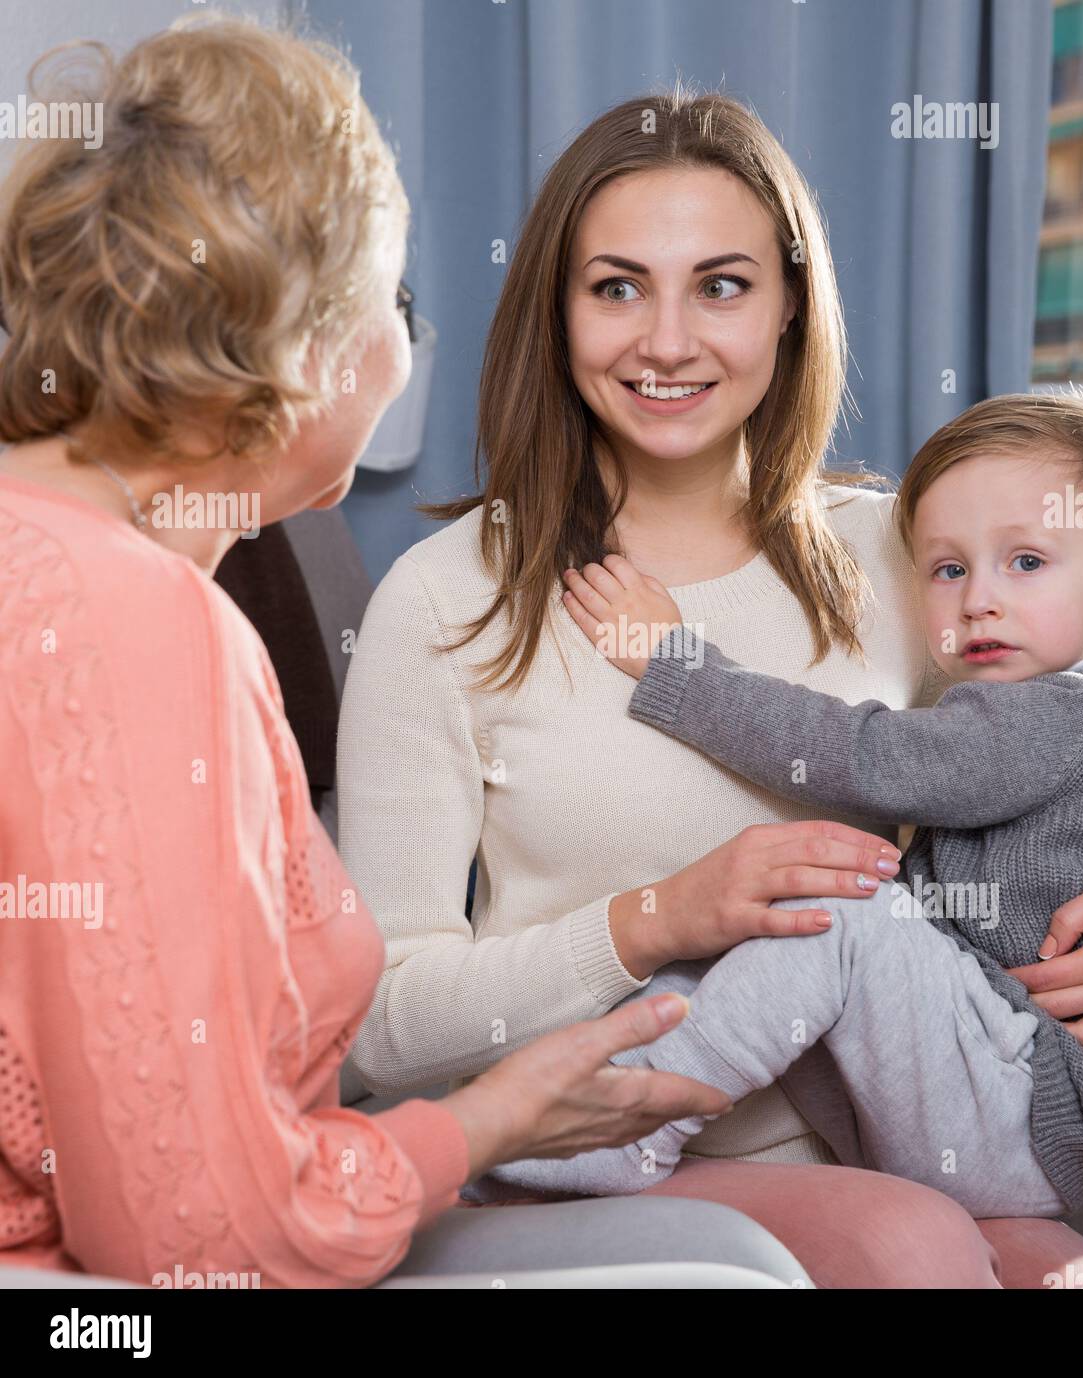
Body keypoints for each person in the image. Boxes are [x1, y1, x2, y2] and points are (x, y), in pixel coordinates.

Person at [338, 86, 1083, 1287]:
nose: (667, 340)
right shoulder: (446, 598)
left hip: (902, 1132)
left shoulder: (911, 554)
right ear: (554, 314)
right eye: (616, 287)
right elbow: (381, 1028)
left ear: (789, 308)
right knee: (911, 1248)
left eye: (721, 284)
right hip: (572, 1147)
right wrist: (659, 918)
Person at [0, 17, 744, 1289]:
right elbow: (199, 1244)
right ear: (306, 338)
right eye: (396, 301)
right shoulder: (139, 624)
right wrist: (486, 1122)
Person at [479, 389, 1083, 1218]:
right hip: (975, 1086)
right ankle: (583, 1103)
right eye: (949, 568)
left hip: (1021, 1098)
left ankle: (624, 1129)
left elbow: (868, 756)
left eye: (1027, 562)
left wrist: (677, 668)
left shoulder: (1076, 715)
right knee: (763, 927)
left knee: (843, 914)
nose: (979, 600)